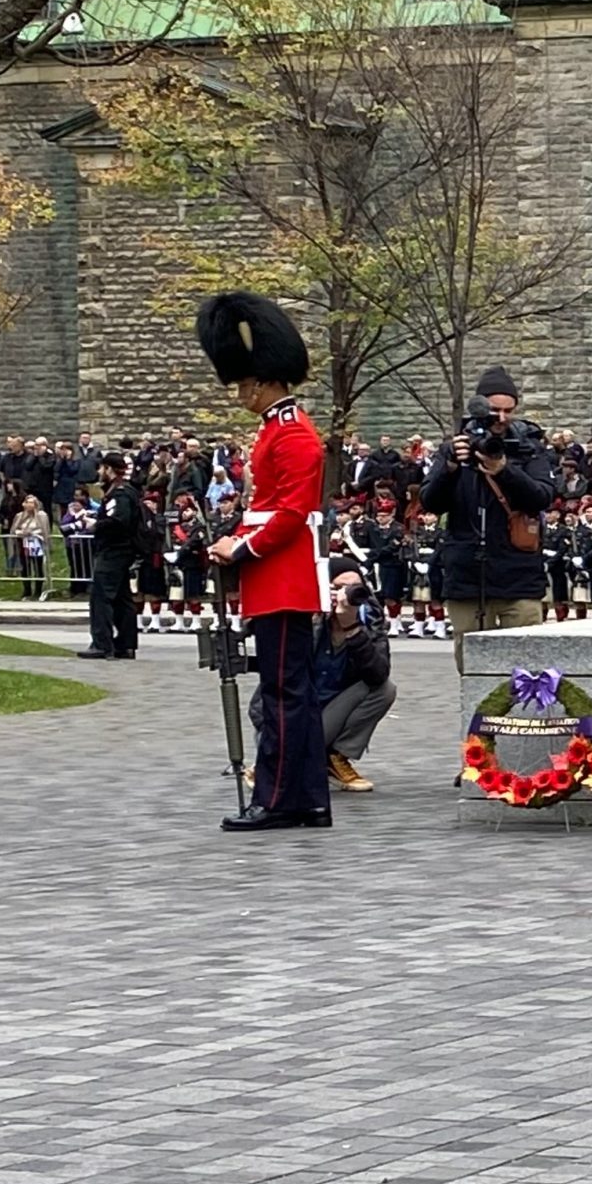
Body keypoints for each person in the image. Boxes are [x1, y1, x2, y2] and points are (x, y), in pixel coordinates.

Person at [199, 290, 332, 833]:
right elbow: (263, 509)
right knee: (287, 692)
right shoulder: (276, 429)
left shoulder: (295, 434)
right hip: (271, 577)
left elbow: (292, 514)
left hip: (283, 579)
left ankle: (278, 800)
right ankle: (303, 798)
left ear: (264, 379)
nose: (239, 394)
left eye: (242, 384)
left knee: (283, 695)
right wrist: (232, 541)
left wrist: (243, 548)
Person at [420, 367, 558, 672]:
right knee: (471, 666)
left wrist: (503, 471)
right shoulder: (455, 448)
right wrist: (451, 468)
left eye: (509, 410)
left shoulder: (529, 446)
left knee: (527, 667)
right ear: (481, 407)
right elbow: (430, 502)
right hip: (467, 576)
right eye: (495, 410)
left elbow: (542, 497)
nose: (502, 418)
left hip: (519, 575)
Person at [314, 558, 395, 794]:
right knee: (291, 771)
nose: (346, 594)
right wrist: (315, 617)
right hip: (295, 709)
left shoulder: (370, 617)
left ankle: (335, 756)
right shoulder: (306, 614)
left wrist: (352, 630)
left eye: (354, 587)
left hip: (335, 707)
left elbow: (378, 675)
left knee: (385, 690)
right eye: (339, 587)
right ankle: (277, 758)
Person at [79, 454, 145, 659]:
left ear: (109, 469)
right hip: (120, 550)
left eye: (102, 469)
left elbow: (119, 520)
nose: (99, 473)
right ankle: (125, 643)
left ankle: (102, 643)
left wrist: (95, 525)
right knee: (121, 597)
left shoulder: (121, 494)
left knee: (101, 596)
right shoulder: (122, 492)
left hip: (115, 550)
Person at [9, 493, 48, 601]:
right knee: (25, 568)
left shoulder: (41, 515)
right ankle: (27, 590)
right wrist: (20, 533)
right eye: (27, 502)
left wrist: (33, 533)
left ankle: (38, 590)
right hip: (24, 545)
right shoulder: (19, 516)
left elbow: (44, 530)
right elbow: (14, 530)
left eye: (31, 503)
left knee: (38, 568)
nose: (29, 505)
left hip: (37, 545)